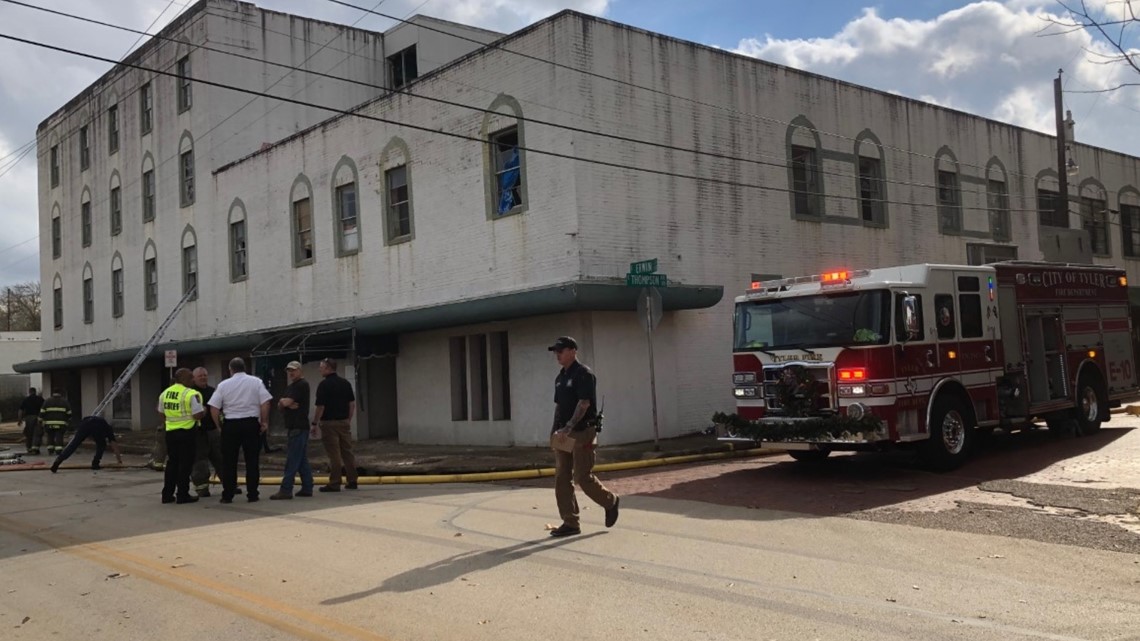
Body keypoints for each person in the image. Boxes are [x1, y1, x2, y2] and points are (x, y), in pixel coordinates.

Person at [546, 336, 619, 537]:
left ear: (573, 351)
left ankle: (610, 501)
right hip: (563, 434)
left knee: (582, 476)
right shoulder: (560, 378)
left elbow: (584, 403)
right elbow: (559, 407)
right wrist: (554, 431)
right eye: (555, 352)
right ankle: (570, 522)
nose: (557, 355)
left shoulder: (583, 374)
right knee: (562, 477)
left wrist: (568, 427)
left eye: (560, 351)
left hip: (582, 432)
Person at [208, 357, 271, 503]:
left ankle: (228, 494)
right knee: (252, 461)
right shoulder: (256, 382)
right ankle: (253, 494)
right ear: (245, 368)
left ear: (230, 369)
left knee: (229, 462)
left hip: (231, 425)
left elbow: (214, 408)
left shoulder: (223, 385)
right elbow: (265, 402)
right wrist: (264, 422)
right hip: (251, 424)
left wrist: (218, 426)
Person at [158, 368, 205, 504]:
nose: (193, 380)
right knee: (185, 465)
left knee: (172, 464)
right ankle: (182, 494)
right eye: (191, 378)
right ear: (184, 379)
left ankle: (167, 495)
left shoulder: (165, 393)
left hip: (171, 432)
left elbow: (161, 413)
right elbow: (197, 415)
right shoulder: (191, 394)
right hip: (187, 432)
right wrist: (204, 412)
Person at [270, 361, 314, 500]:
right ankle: (307, 486)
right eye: (289, 370)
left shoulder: (301, 385)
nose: (291, 373)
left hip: (298, 426)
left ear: (300, 370)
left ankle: (286, 489)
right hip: (293, 426)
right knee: (301, 459)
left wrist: (285, 402)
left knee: (292, 459)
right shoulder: (290, 387)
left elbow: (286, 402)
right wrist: (284, 402)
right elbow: (280, 404)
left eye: (293, 370)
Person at [313, 358, 357, 492]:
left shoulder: (323, 385)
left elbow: (320, 406)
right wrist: (348, 420)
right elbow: (352, 403)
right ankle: (352, 480)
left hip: (329, 423)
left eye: (321, 367)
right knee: (347, 452)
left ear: (328, 368)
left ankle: (335, 482)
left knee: (334, 454)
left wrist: (314, 423)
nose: (320, 369)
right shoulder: (345, 383)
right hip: (343, 421)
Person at [189, 367, 227, 498]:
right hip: (198, 432)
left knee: (221, 458)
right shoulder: (190, 393)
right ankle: (202, 488)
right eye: (200, 376)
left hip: (213, 430)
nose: (203, 377)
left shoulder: (213, 391)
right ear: (193, 378)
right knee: (200, 461)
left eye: (205, 375)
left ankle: (229, 485)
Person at [51, 415, 123, 472]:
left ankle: (58, 461)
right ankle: (95, 463)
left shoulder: (102, 424)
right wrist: (119, 460)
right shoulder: (108, 430)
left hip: (85, 423)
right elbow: (114, 446)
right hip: (96, 426)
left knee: (74, 444)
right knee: (102, 444)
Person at [40, 389, 72, 455]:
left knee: (50, 436)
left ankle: (50, 450)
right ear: (60, 393)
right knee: (59, 436)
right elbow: (69, 413)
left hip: (49, 423)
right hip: (61, 423)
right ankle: (58, 450)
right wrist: (68, 420)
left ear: (53, 393)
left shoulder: (47, 401)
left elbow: (42, 412)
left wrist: (41, 420)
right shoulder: (64, 402)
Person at [17, 387, 44, 455]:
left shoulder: (26, 400)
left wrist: (19, 420)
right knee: (37, 433)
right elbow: (44, 409)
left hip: (28, 418)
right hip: (38, 418)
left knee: (29, 433)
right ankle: (35, 448)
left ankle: (29, 448)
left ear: (29, 392)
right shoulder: (40, 399)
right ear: (35, 392)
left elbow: (20, 410)